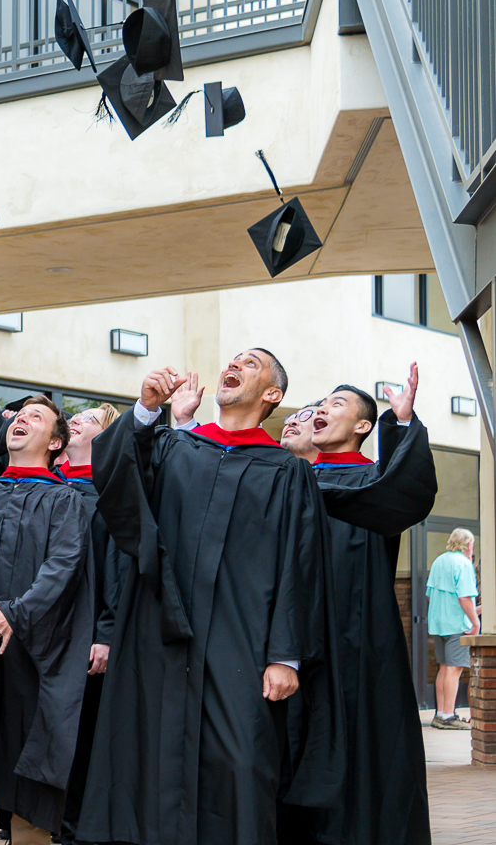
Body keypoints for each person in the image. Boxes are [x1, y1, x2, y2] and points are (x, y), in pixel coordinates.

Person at [80, 349, 342, 845]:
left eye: (252, 363)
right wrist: (146, 409)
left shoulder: (287, 472)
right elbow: (116, 484)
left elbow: (299, 563)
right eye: (234, 360)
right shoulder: (174, 449)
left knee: (240, 762)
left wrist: (285, 655)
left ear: (272, 394)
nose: (235, 365)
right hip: (160, 633)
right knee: (150, 759)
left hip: (240, 640)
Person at [0, 321, 93, 845]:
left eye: (37, 417)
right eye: (19, 415)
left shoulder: (65, 500)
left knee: (31, 761)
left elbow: (63, 564)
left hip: (35, 649)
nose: (22, 419)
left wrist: (18, 613)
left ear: (56, 442)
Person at [278, 367, 434, 845]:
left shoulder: (375, 481)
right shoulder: (290, 482)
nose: (323, 409)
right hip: (293, 641)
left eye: (337, 404)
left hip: (359, 642)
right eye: (321, 403)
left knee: (364, 748)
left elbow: (408, 489)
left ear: (364, 426)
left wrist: (401, 424)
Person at [425, 527, 481, 728]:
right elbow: (464, 597)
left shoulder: (439, 561)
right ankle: (449, 716)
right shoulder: (463, 564)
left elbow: (430, 595)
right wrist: (475, 622)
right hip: (457, 625)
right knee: (454, 669)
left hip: (439, 624)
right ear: (468, 544)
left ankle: (440, 714)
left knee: (443, 667)